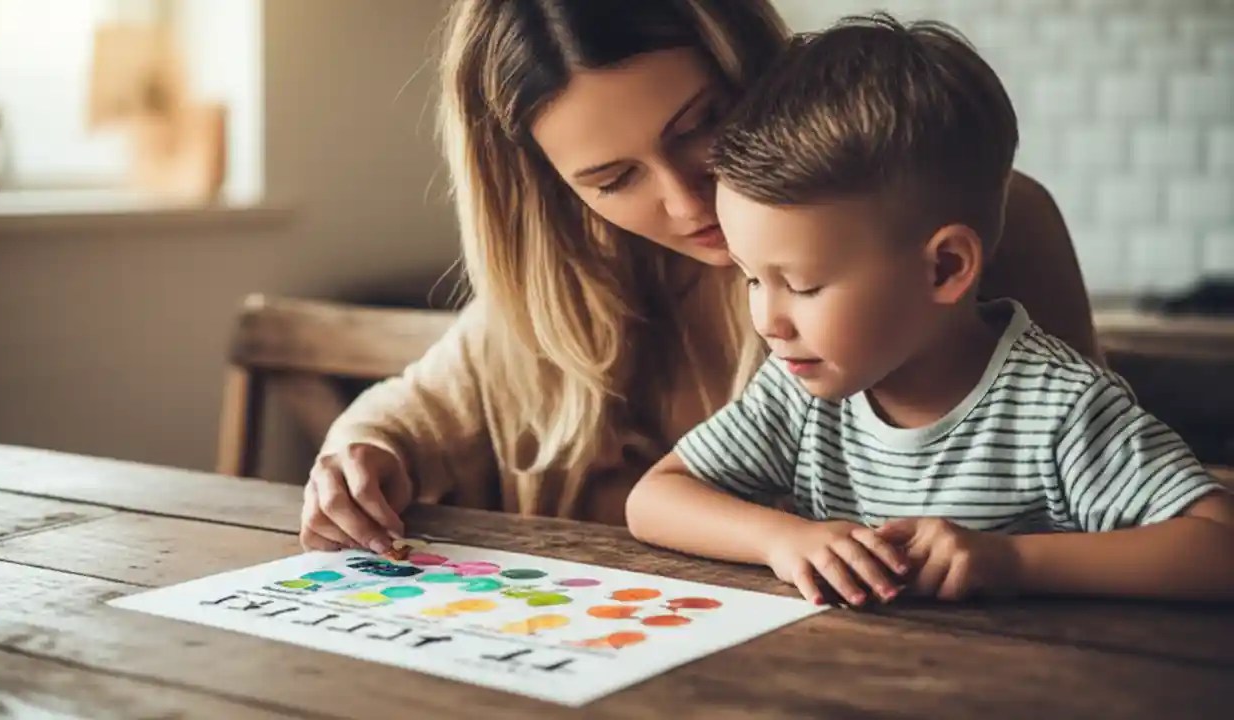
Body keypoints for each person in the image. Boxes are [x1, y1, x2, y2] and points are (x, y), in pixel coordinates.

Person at [299, 0, 1102, 554]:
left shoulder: (977, 224)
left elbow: (1072, 490)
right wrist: (363, 455)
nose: (687, 201)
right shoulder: (567, 277)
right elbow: (416, 412)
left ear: (753, 65)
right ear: (552, 191)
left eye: (703, 123)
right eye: (614, 180)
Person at [625, 15, 1234, 605]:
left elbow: (1218, 545)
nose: (768, 321)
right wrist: (782, 538)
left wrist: (1014, 560)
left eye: (803, 286)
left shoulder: (1057, 407)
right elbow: (654, 498)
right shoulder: (798, 392)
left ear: (943, 268)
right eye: (754, 279)